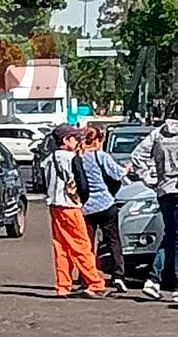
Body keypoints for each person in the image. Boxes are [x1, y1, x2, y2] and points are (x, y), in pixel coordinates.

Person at [131, 96, 178, 301]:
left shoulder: (159, 133)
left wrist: (149, 178)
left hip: (164, 191)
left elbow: (137, 156)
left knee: (170, 236)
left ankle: (153, 279)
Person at [43, 124, 109, 298]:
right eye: (75, 138)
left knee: (61, 246)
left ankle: (63, 285)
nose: (79, 141)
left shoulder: (49, 159)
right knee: (81, 244)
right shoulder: (72, 158)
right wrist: (83, 199)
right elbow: (82, 183)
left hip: (54, 206)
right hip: (71, 206)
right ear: (66, 140)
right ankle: (95, 282)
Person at [79, 127, 130, 293]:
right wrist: (127, 168)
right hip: (106, 204)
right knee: (113, 241)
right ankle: (118, 276)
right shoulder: (100, 156)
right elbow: (117, 174)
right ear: (99, 140)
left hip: (86, 206)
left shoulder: (78, 158)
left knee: (87, 243)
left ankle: (86, 277)